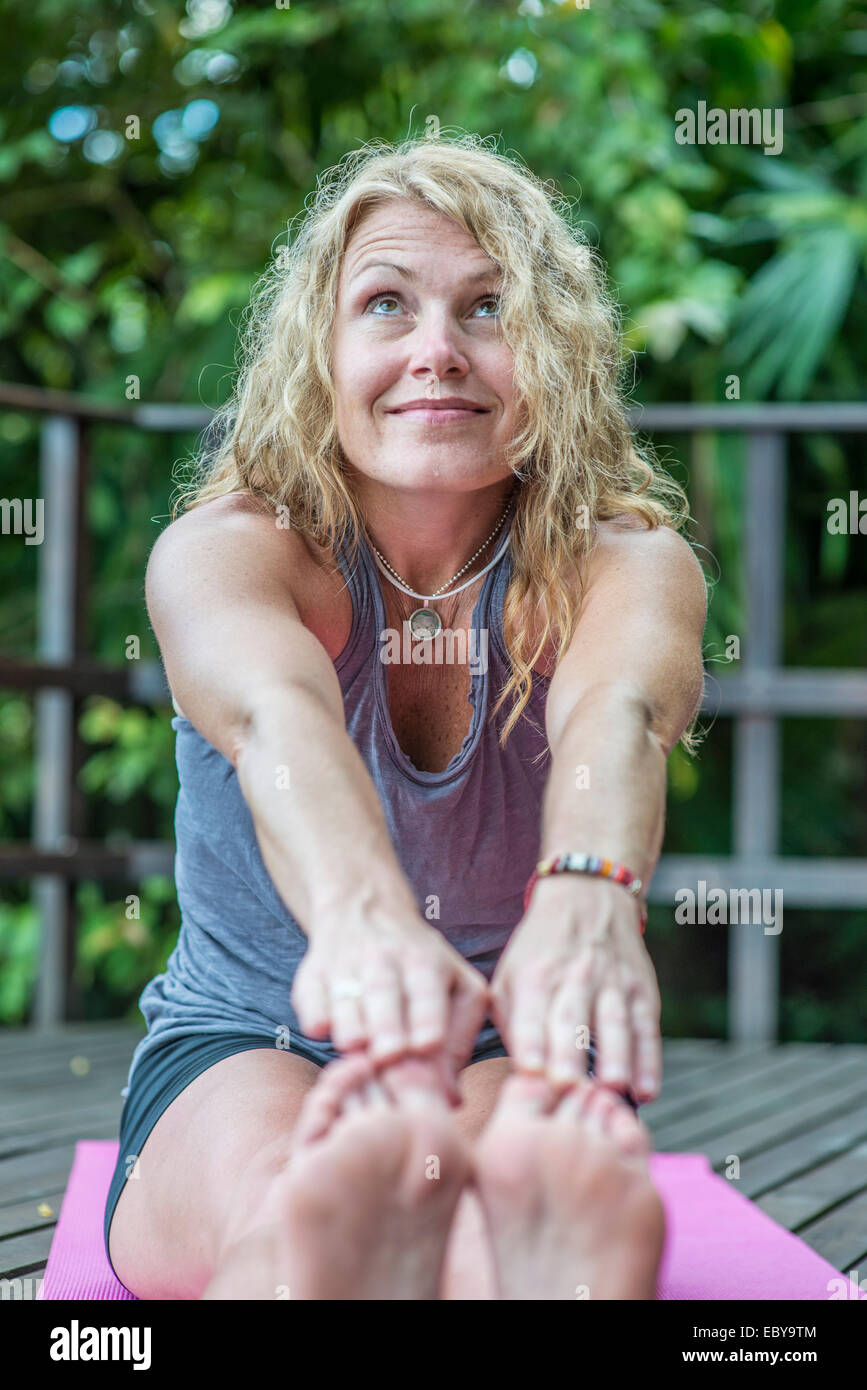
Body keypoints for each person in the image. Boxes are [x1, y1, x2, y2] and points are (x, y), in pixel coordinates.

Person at [104, 133, 707, 1300]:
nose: (439, 352)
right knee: (290, 1216)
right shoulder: (225, 553)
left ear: (554, 354)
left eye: (489, 310)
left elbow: (621, 715)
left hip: (500, 1033)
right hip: (248, 1040)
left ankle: (527, 1251)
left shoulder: (627, 561)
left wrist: (590, 891)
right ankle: (315, 1243)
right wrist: (364, 914)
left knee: (502, 1232)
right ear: (319, 355)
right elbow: (278, 718)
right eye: (387, 304)